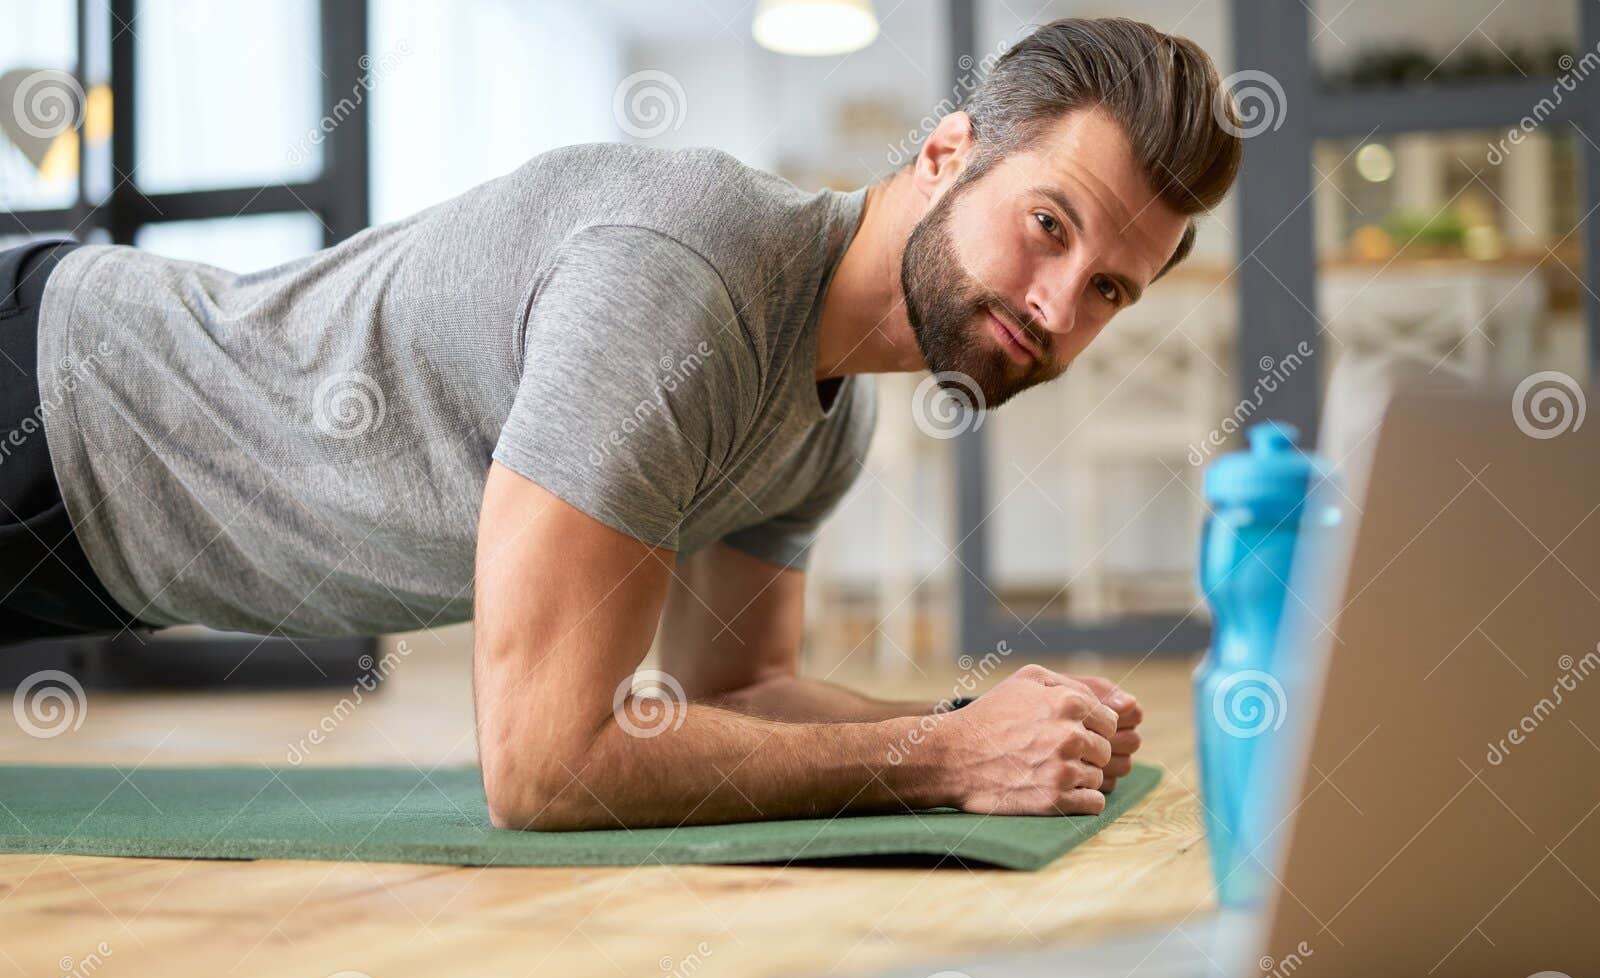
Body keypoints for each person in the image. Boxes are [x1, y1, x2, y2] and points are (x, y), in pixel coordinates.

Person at [1, 17, 1240, 830]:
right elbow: (546, 763)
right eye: (1048, 225)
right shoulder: (681, 277)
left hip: (97, 555)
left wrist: (982, 726)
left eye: (1110, 291)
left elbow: (741, 691)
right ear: (944, 152)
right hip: (45, 388)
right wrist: (943, 761)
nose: (1056, 305)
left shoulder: (827, 426)